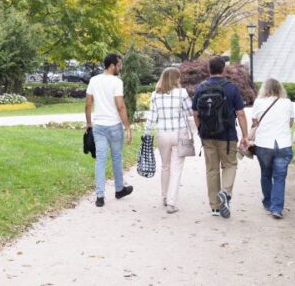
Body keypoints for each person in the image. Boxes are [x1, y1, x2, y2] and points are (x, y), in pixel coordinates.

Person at [192, 56, 248, 218]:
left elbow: (195, 113)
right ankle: (225, 192)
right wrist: (245, 135)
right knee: (230, 164)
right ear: (223, 69)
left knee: (212, 169)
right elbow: (240, 113)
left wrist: (201, 130)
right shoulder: (231, 88)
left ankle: (215, 207)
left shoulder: (200, 87)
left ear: (209, 69)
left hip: (207, 136)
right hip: (227, 136)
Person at [85, 53, 133, 207]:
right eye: (119, 65)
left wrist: (89, 123)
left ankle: (100, 196)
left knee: (100, 160)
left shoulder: (94, 80)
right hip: (114, 125)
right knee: (116, 157)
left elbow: (88, 104)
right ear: (112, 65)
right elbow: (120, 106)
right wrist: (127, 127)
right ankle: (119, 189)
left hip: (98, 126)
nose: (120, 67)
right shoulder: (116, 82)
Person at [144, 67, 193, 214]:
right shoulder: (182, 93)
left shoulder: (155, 95)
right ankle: (171, 203)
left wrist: (147, 133)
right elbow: (190, 111)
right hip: (180, 133)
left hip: (163, 133)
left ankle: (164, 197)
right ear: (176, 78)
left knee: (165, 166)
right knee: (176, 169)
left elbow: (152, 117)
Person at [251, 78, 294, 219]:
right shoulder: (287, 103)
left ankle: (268, 202)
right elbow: (290, 123)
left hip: (264, 144)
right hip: (283, 143)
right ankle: (277, 208)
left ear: (264, 89)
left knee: (265, 174)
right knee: (280, 177)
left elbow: (255, 122)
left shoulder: (258, 102)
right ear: (280, 89)